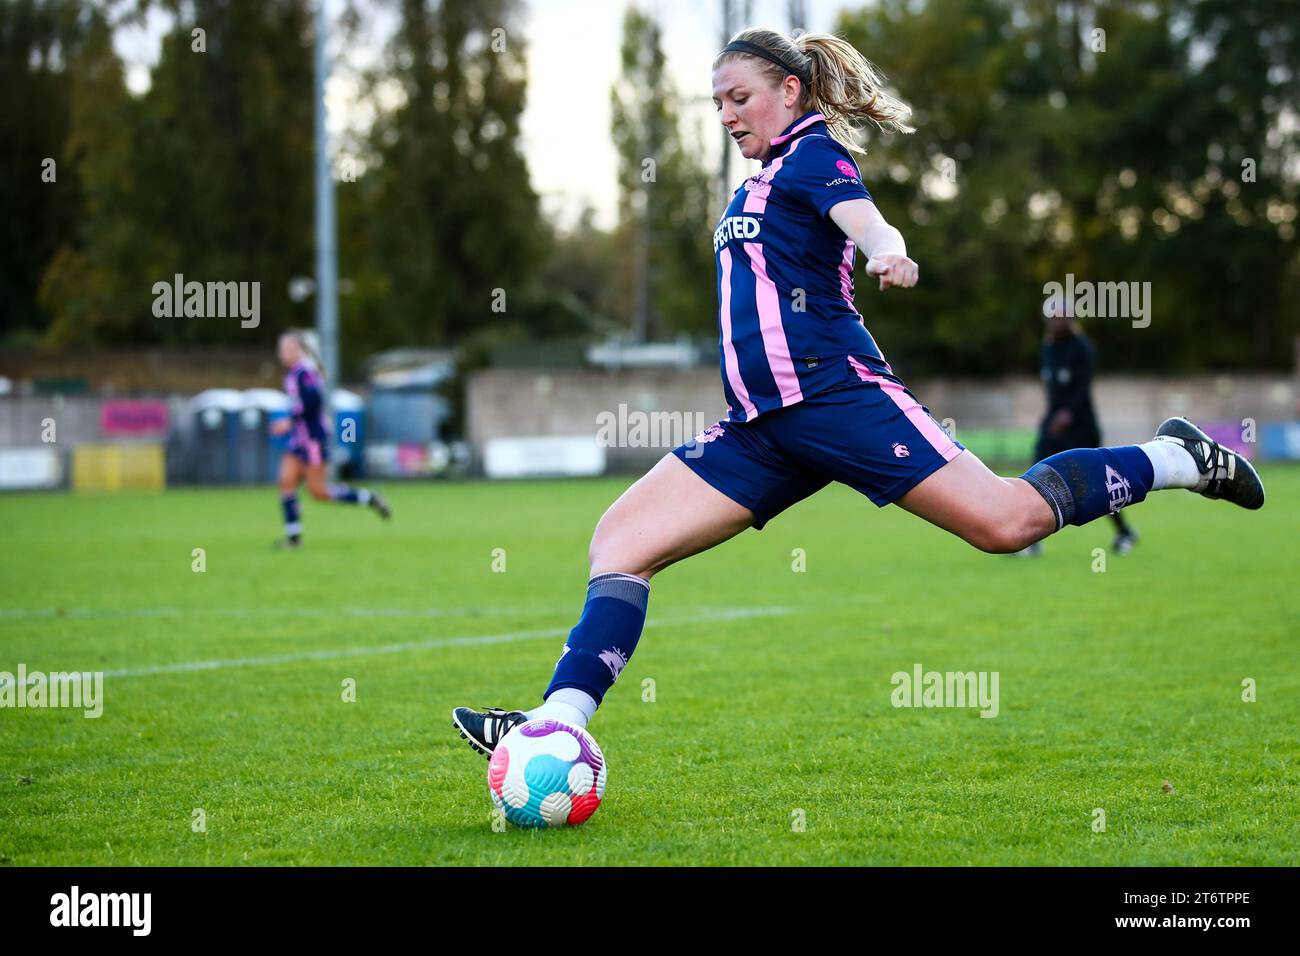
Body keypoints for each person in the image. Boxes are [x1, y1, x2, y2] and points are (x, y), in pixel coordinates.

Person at [451, 28, 1264, 754]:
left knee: (1007, 523)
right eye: (717, 103)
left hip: (838, 396)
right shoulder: (755, 183)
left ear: (789, 90)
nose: (728, 115)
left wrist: (886, 252)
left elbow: (867, 218)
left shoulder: (811, 154)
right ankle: (556, 723)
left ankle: (1176, 458)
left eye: (740, 98)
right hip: (759, 428)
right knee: (621, 541)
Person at [1021, 297, 1138, 556]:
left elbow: (1082, 389)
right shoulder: (1048, 348)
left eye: (1058, 316)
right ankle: (1030, 540)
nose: (1053, 321)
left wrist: (1068, 414)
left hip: (1079, 426)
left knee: (1096, 481)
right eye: (1049, 316)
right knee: (1033, 476)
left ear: (1070, 318)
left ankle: (1124, 531)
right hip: (1053, 424)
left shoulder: (1082, 348)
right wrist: (1052, 417)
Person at [271, 329, 389, 548]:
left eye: (289, 348)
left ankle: (370, 498)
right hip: (298, 441)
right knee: (286, 482)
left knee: (319, 492)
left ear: (300, 350)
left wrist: (289, 420)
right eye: (282, 348)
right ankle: (294, 538)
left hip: (313, 440)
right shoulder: (292, 374)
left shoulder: (305, 373)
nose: (285, 352)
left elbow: (313, 401)